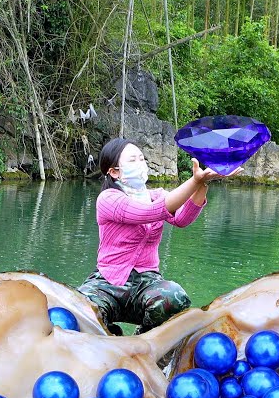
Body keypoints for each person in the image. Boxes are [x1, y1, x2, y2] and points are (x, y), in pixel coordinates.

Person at [78, 137, 240, 334]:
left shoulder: (157, 195)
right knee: (79, 308)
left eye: (141, 159)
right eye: (132, 160)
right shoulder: (108, 199)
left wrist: (203, 183)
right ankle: (110, 336)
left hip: (147, 282)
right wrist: (195, 180)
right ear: (114, 172)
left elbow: (182, 219)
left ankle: (146, 339)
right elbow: (151, 212)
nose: (140, 164)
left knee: (174, 297)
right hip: (108, 282)